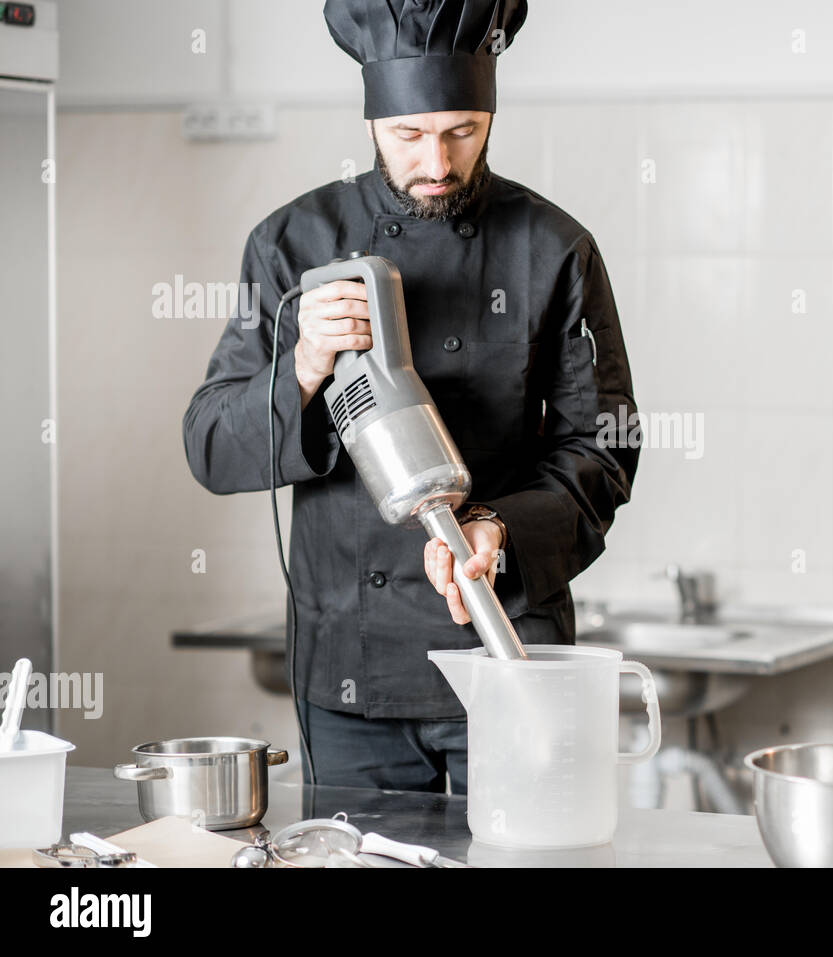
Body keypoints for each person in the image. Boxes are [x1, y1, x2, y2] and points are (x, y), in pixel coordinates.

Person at [182, 0, 638, 794]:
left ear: (491, 113)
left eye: (463, 130)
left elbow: (604, 445)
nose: (437, 160)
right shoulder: (291, 243)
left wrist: (500, 527)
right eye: (410, 135)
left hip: (506, 654)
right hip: (350, 680)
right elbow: (211, 445)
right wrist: (303, 363)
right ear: (371, 123)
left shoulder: (554, 249)